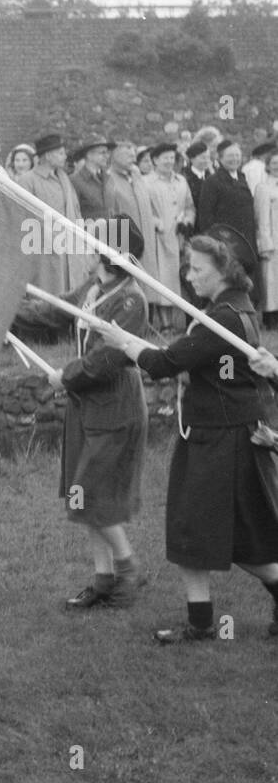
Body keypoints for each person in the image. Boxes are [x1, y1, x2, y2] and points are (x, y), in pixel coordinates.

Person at [103, 233, 278, 643]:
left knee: (234, 539)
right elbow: (190, 360)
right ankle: (200, 623)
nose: (189, 274)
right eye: (189, 265)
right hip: (215, 434)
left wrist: (125, 342)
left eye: (199, 268)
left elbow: (167, 363)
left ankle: (202, 624)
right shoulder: (226, 310)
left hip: (224, 439)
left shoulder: (227, 317)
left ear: (225, 271)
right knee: (198, 532)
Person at [36, 218, 149, 608]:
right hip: (84, 404)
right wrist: (7, 306)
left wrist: (64, 376)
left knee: (94, 493)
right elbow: (53, 312)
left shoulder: (131, 299)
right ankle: (103, 579)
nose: (89, 246)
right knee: (81, 494)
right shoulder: (94, 286)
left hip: (114, 404)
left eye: (96, 242)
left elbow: (108, 360)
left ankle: (127, 570)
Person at [19, 133, 87, 296]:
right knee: (49, 298)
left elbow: (75, 211)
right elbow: (23, 219)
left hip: (71, 251)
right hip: (45, 256)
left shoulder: (64, 178)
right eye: (61, 153)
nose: (65, 157)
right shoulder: (28, 181)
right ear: (48, 156)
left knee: (73, 297)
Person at [141, 141, 194, 329]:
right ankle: (165, 323)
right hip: (158, 238)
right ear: (155, 160)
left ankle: (180, 320)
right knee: (162, 278)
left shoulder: (181, 181)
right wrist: (156, 223)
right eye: (165, 158)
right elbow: (144, 209)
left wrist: (187, 221)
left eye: (172, 158)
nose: (169, 162)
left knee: (178, 277)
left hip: (178, 237)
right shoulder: (146, 182)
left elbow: (189, 206)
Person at [196, 139, 259, 266]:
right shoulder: (212, 181)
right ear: (220, 158)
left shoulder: (242, 177)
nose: (234, 159)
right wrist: (214, 242)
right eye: (230, 156)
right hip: (226, 242)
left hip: (247, 240)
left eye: (237, 155)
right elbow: (205, 215)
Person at [254, 150, 278, 322]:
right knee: (271, 279)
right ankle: (270, 317)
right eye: (274, 163)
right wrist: (266, 243)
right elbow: (261, 217)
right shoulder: (263, 187)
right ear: (268, 166)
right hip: (272, 237)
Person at [70, 137, 111, 221]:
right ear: (89, 155)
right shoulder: (75, 181)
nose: (107, 156)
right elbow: (74, 213)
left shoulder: (108, 179)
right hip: (88, 232)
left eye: (107, 152)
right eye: (102, 153)